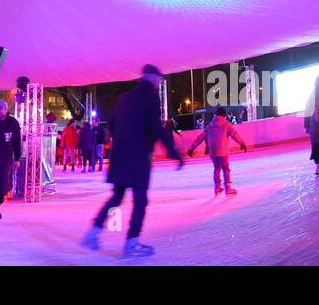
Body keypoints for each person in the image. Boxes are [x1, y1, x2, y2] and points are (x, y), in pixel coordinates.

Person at [81, 65, 184, 259]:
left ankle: (93, 232)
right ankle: (132, 243)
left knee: (116, 199)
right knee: (140, 201)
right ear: (152, 78)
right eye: (158, 79)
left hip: (120, 156)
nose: (159, 82)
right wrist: (174, 152)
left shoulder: (124, 98)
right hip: (138, 157)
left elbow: (111, 125)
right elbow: (156, 127)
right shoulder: (151, 97)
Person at [186, 105, 248, 195]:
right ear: (224, 115)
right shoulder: (227, 124)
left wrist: (191, 148)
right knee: (226, 169)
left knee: (217, 169)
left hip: (213, 152)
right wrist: (241, 143)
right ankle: (228, 188)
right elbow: (234, 134)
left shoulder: (210, 126)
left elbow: (200, 137)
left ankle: (217, 187)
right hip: (223, 150)